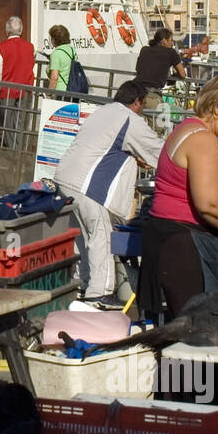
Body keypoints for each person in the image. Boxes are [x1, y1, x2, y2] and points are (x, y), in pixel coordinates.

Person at [137, 73, 218, 320]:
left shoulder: (187, 129)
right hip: (184, 244)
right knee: (196, 332)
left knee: (184, 329)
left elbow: (203, 194)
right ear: (217, 108)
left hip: (171, 238)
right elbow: (210, 205)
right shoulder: (203, 139)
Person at [54, 80, 164, 307]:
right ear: (136, 102)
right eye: (142, 105)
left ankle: (82, 286)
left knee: (83, 239)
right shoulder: (130, 119)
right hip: (87, 186)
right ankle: (100, 293)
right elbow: (158, 150)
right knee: (101, 234)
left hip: (65, 177)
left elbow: (108, 148)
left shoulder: (102, 112)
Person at [0, 16, 35, 147]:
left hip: (7, 90)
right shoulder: (30, 47)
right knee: (22, 123)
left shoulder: (1, 48)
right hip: (26, 90)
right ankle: (21, 150)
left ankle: (14, 152)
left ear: (7, 30)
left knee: (8, 124)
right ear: (21, 30)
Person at [134, 27, 186, 109]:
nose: (172, 43)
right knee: (156, 121)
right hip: (151, 96)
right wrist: (173, 77)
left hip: (134, 92)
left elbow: (138, 69)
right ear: (164, 41)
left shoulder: (144, 50)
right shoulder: (171, 52)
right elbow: (183, 74)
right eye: (171, 40)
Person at [46, 25, 77, 92]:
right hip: (72, 88)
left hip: (60, 91)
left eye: (51, 38)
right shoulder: (71, 49)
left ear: (54, 39)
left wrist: (49, 93)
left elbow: (54, 77)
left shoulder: (56, 54)